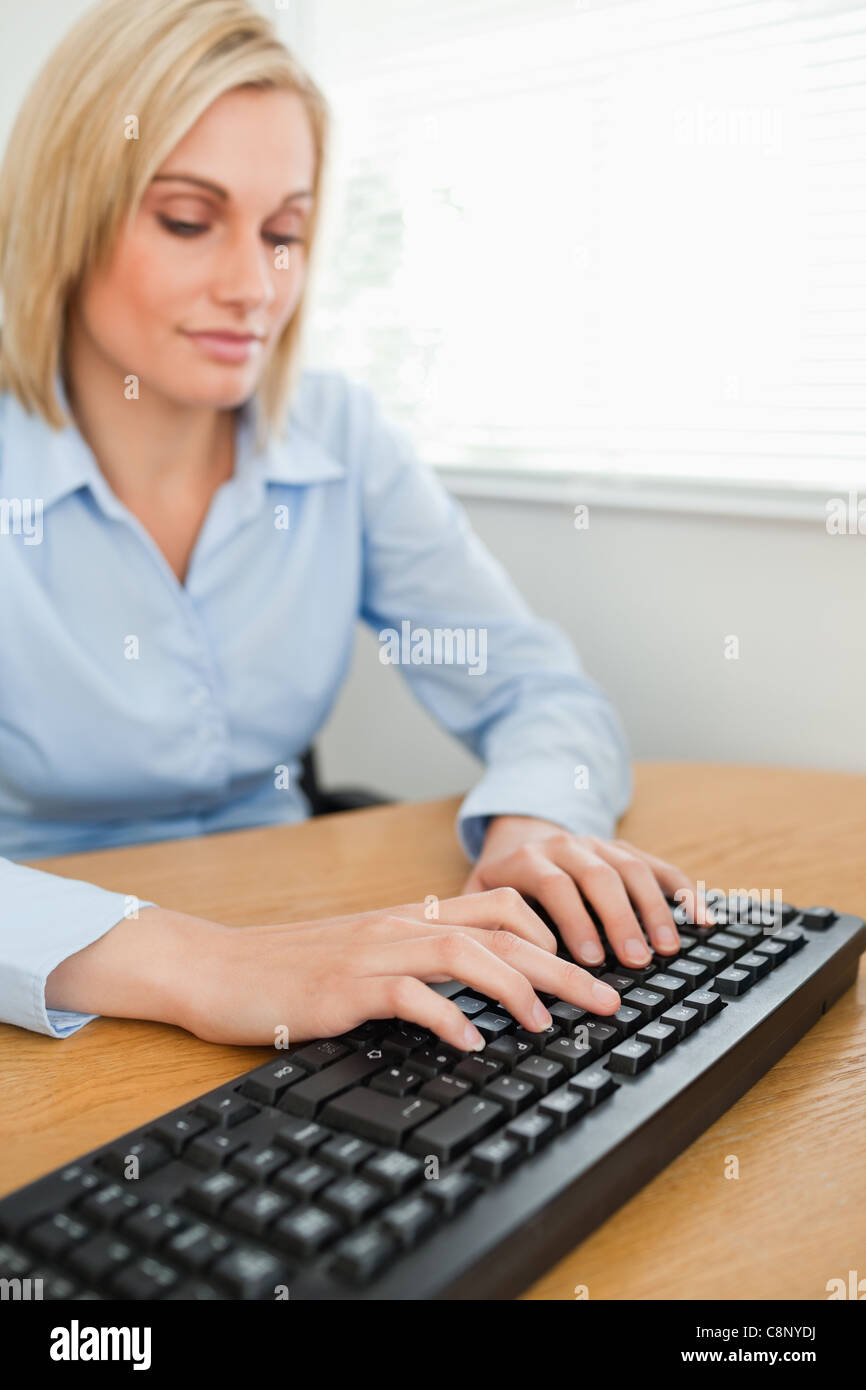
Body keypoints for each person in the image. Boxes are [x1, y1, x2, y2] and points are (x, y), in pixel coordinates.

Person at [0, 0, 696, 1050]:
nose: (254, 287)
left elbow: (534, 688)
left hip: (301, 951)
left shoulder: (338, 440)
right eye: (189, 220)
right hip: (61, 995)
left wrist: (533, 826)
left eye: (284, 232)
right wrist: (205, 963)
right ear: (65, 212)